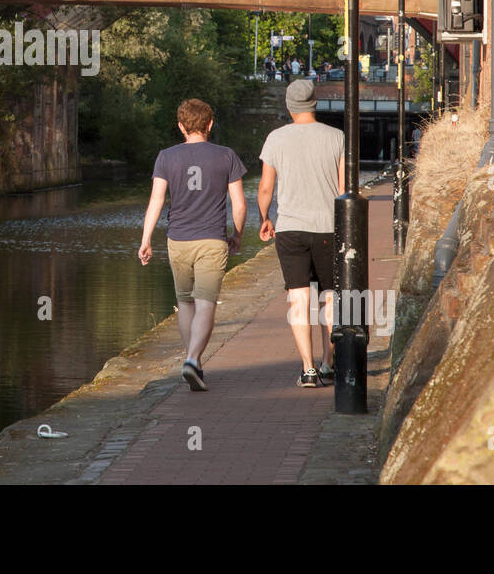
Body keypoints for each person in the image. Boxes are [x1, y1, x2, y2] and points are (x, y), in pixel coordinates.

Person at [139, 98, 247, 391]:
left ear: (180, 127)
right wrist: (237, 234)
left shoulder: (165, 157)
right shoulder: (226, 156)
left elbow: (156, 201)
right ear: (210, 124)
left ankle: (193, 362)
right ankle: (192, 359)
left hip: (178, 240)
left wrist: (146, 239)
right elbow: (238, 203)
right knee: (206, 302)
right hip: (212, 239)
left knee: (185, 302)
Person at [257, 79, 345, 388]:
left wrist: (265, 218)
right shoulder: (337, 137)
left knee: (297, 297)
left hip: (290, 228)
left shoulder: (275, 139)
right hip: (328, 228)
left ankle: (307, 369)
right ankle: (328, 363)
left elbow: (266, 187)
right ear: (315, 104)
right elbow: (344, 190)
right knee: (330, 297)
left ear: (289, 106)